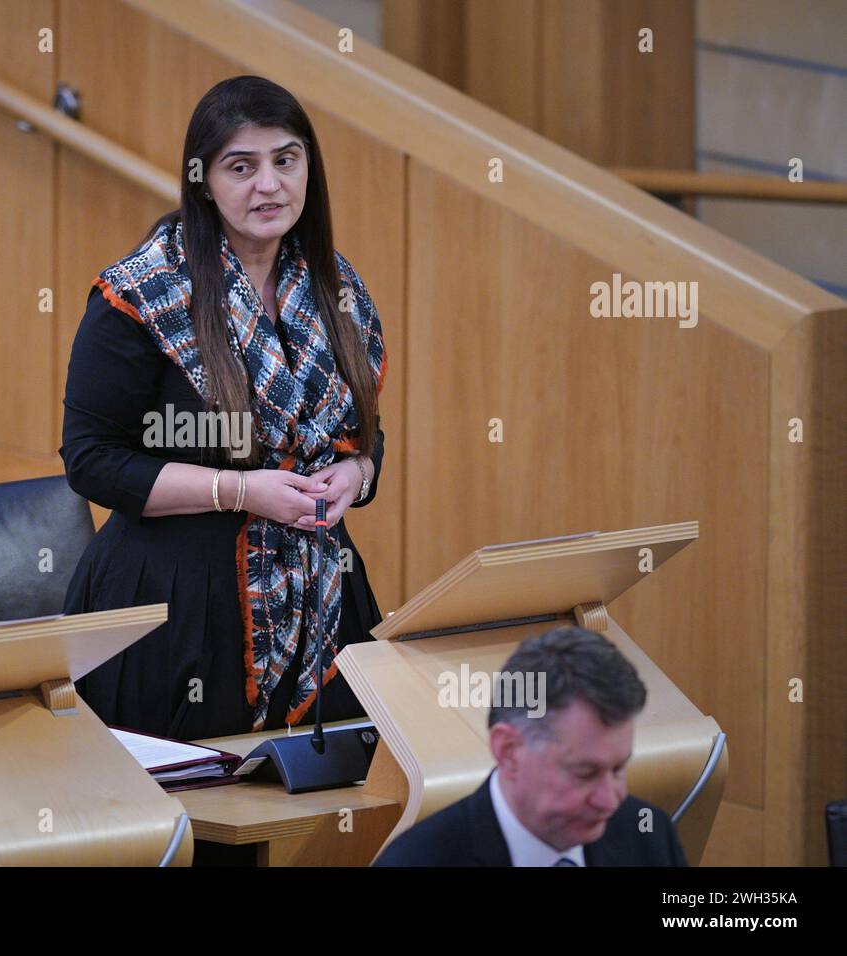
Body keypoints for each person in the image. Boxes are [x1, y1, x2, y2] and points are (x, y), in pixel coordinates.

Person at [61, 75, 389, 740]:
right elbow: (92, 462)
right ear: (204, 179)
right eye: (242, 167)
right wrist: (240, 489)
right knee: (201, 828)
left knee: (327, 810)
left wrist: (357, 476)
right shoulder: (140, 295)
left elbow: (363, 435)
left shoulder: (336, 285)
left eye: (286, 161)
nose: (269, 185)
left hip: (322, 591)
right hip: (176, 607)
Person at [374, 626, 688, 866]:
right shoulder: (416, 860)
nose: (609, 801)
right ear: (509, 751)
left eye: (619, 768)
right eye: (584, 773)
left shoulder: (649, 837)